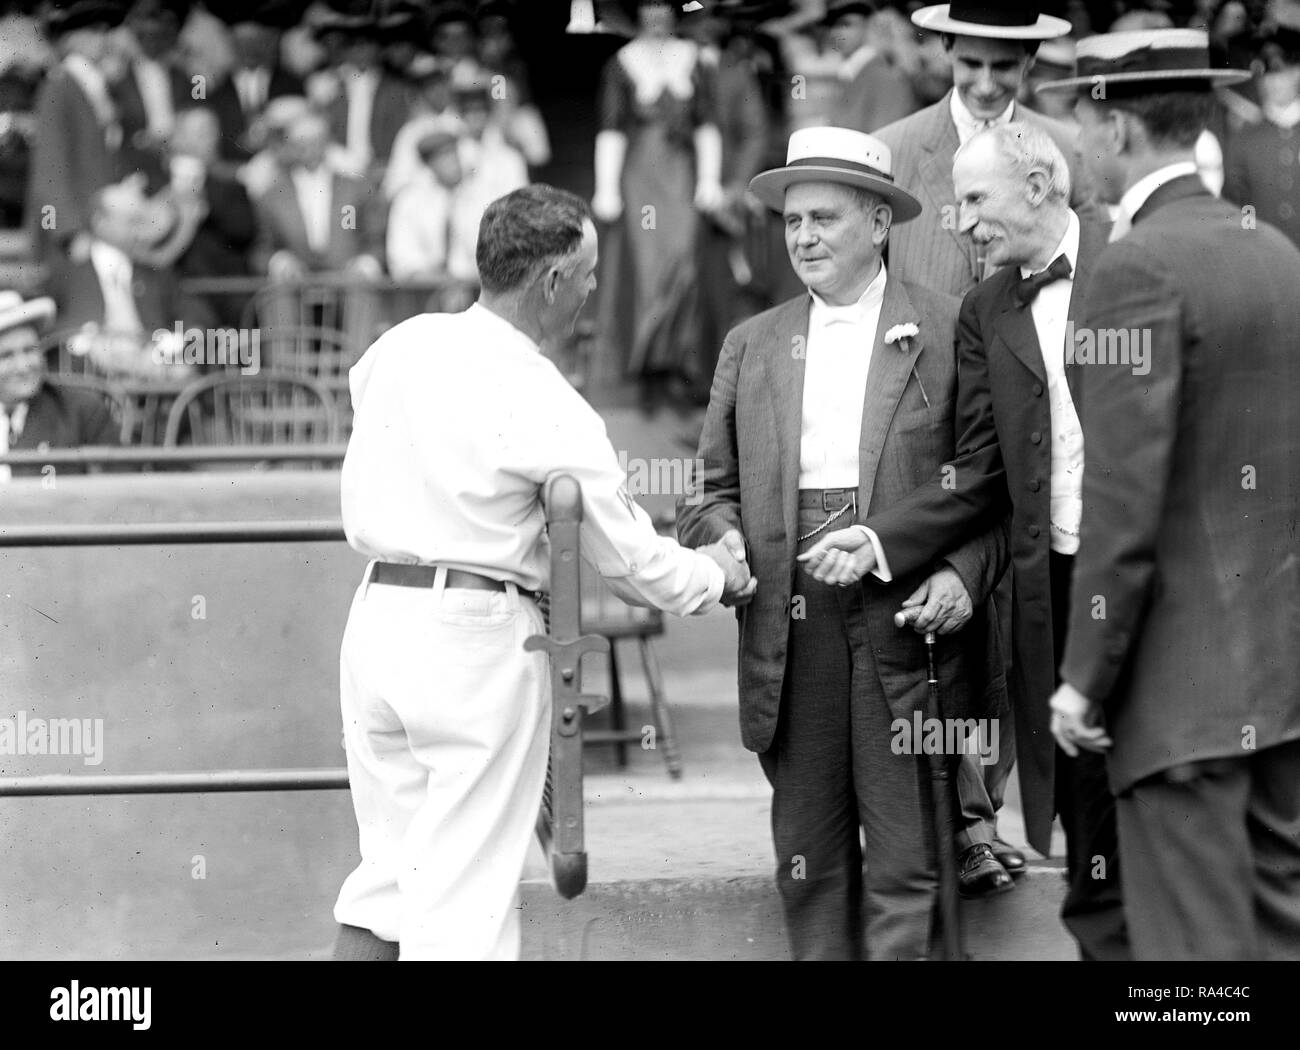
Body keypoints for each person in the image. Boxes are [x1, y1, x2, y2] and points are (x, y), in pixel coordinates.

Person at [331, 184, 755, 961]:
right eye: (587, 275)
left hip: (377, 619)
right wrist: (719, 575)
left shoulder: (399, 345)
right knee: (465, 906)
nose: (594, 291)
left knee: (389, 876)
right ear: (551, 280)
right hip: (473, 635)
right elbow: (629, 560)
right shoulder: (545, 400)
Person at [677, 126, 1007, 961]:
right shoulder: (751, 343)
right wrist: (725, 545)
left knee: (911, 860)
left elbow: (989, 484)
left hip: (908, 620)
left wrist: (964, 578)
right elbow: (708, 494)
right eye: (792, 223)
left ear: (879, 222)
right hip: (792, 623)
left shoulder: (946, 325)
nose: (804, 238)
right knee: (810, 861)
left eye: (824, 218)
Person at [820, 120, 1127, 957]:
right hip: (1056, 583)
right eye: (955, 203)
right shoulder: (986, 308)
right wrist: (882, 538)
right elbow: (977, 468)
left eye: (975, 201)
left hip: (1151, 577)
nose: (959, 223)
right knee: (1086, 789)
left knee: (1164, 780)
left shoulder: (1133, 259)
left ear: (1038, 188)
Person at [1041, 27, 1300, 960]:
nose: (1072, 137)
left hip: (1180, 693)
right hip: (1279, 676)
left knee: (1190, 975)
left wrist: (1082, 679)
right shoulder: (1273, 249)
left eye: (1076, 112)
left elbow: (1124, 498)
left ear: (1111, 126)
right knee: (1273, 941)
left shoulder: (1135, 267)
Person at [871, 0, 1092, 895]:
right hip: (926, 421)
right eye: (973, 64)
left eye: (1010, 68)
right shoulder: (894, 144)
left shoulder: (1062, 148)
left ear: (1032, 67)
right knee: (945, 626)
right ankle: (961, 820)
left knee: (1013, 622)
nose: (991, 84)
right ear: (947, 55)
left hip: (1034, 428)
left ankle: (998, 805)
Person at [592, 0, 723, 412]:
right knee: (646, 269)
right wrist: (607, 187)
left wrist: (709, 179)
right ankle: (646, 368)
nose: (656, 23)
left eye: (663, 14)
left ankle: (678, 364)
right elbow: (611, 128)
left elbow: (706, 124)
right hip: (641, 173)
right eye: (648, 14)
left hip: (680, 172)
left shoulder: (693, 61)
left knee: (683, 263)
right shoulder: (622, 63)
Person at [25, 0, 127, 265]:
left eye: (106, 31)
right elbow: (49, 170)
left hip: (99, 224)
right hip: (72, 235)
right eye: (94, 31)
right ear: (71, 38)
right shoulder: (59, 87)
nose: (103, 38)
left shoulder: (95, 85)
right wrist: (69, 233)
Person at [0, 290, 120, 481]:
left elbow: (117, 491)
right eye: (6, 356)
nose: (23, 366)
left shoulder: (81, 410)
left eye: (29, 350)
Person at [1223, 1, 1300, 246]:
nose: (1273, 82)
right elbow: (1239, 201)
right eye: (1266, 77)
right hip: (1268, 257)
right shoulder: (1245, 138)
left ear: (1298, 74)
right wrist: (1250, 241)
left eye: (1282, 73)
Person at [824, 0, 919, 133]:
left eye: (846, 24)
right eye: (832, 25)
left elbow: (883, 142)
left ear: (869, 26)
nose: (836, 32)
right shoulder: (849, 74)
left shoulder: (885, 77)